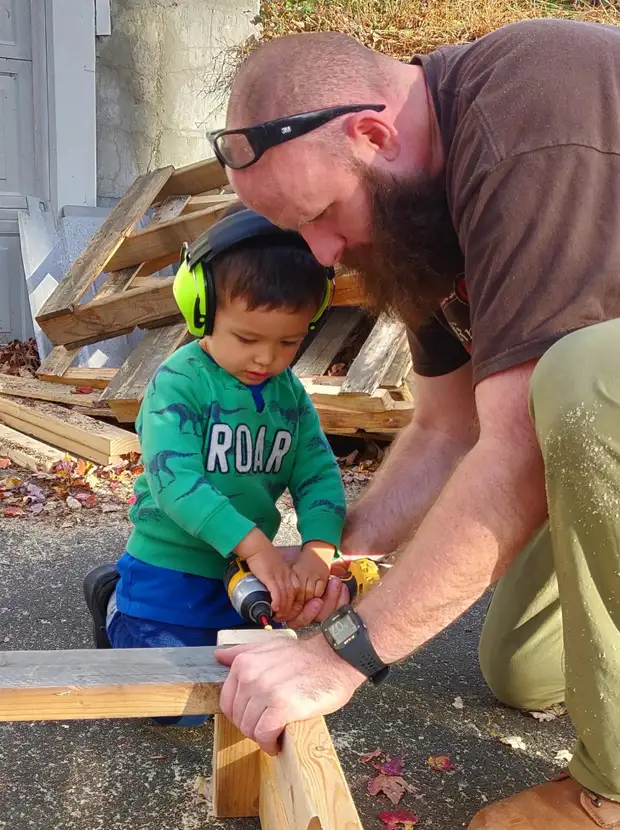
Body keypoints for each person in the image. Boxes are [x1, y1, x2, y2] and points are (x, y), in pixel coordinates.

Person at [210, 19, 620, 828]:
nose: (323, 256)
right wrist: (336, 554)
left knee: (582, 381)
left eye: (324, 214)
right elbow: (447, 428)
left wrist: (343, 655)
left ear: (372, 133)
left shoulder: (527, 120)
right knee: (521, 669)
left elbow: (518, 453)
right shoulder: (421, 212)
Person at [83, 205, 347, 726]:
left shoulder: (288, 395)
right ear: (202, 309)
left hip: (240, 572)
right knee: (170, 710)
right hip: (170, 566)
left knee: (230, 693)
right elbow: (175, 481)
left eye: (289, 342)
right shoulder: (178, 385)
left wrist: (319, 548)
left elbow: (317, 471)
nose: (266, 359)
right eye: (247, 338)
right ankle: (112, 599)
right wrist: (257, 545)